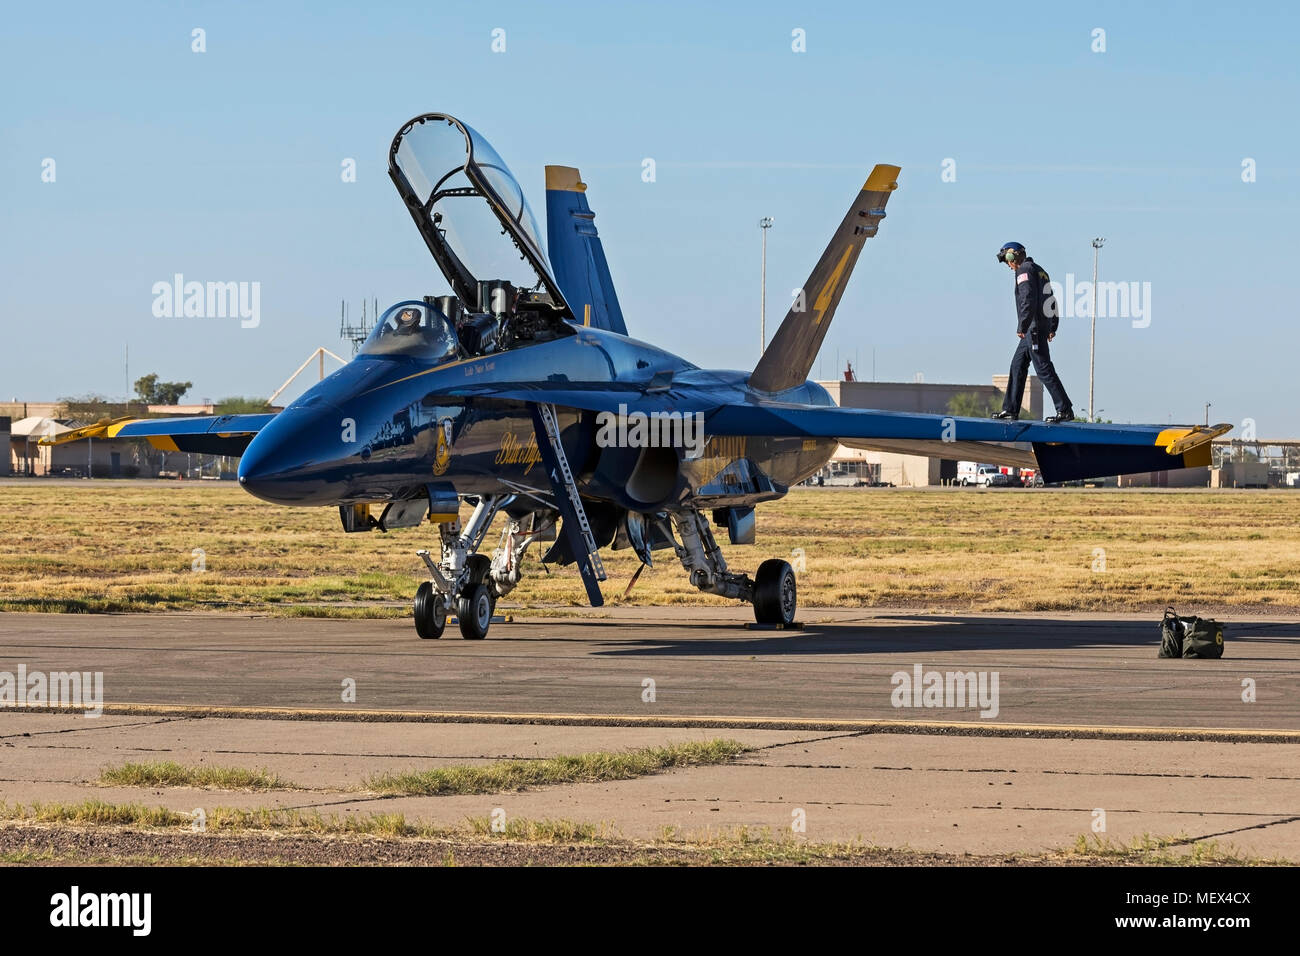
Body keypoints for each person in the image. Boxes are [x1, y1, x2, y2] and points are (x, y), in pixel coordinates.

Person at [991, 242, 1074, 423]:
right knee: (1017, 365)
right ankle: (1011, 409)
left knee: (1043, 368)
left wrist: (1023, 325)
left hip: (1033, 328)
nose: (1007, 264)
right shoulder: (1040, 270)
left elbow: (1028, 299)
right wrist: (1053, 325)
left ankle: (1065, 409)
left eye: (1007, 260)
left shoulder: (1024, 271)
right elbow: (1051, 300)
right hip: (1037, 327)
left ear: (1014, 256)